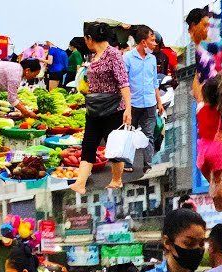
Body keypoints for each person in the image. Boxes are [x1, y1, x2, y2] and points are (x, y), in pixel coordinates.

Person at [68, 26, 131, 195]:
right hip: (94, 109)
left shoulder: (114, 55)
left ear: (89, 38)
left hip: (114, 109)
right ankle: (80, 184)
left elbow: (123, 83)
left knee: (114, 148)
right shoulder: (94, 56)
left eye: (85, 38)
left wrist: (128, 109)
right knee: (88, 144)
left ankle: (116, 181)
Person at [124, 25, 163, 158]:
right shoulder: (127, 58)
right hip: (134, 104)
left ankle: (148, 166)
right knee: (129, 134)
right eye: (152, 40)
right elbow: (125, 84)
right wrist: (126, 107)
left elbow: (154, 82)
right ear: (143, 42)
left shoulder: (152, 59)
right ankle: (128, 163)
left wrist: (159, 102)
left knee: (149, 135)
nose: (155, 44)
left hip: (150, 103)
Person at [195, 76, 222, 210]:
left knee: (212, 182)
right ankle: (221, 207)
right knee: (220, 181)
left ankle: (218, 205)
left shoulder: (200, 108)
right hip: (217, 149)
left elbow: (197, 92)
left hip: (203, 149)